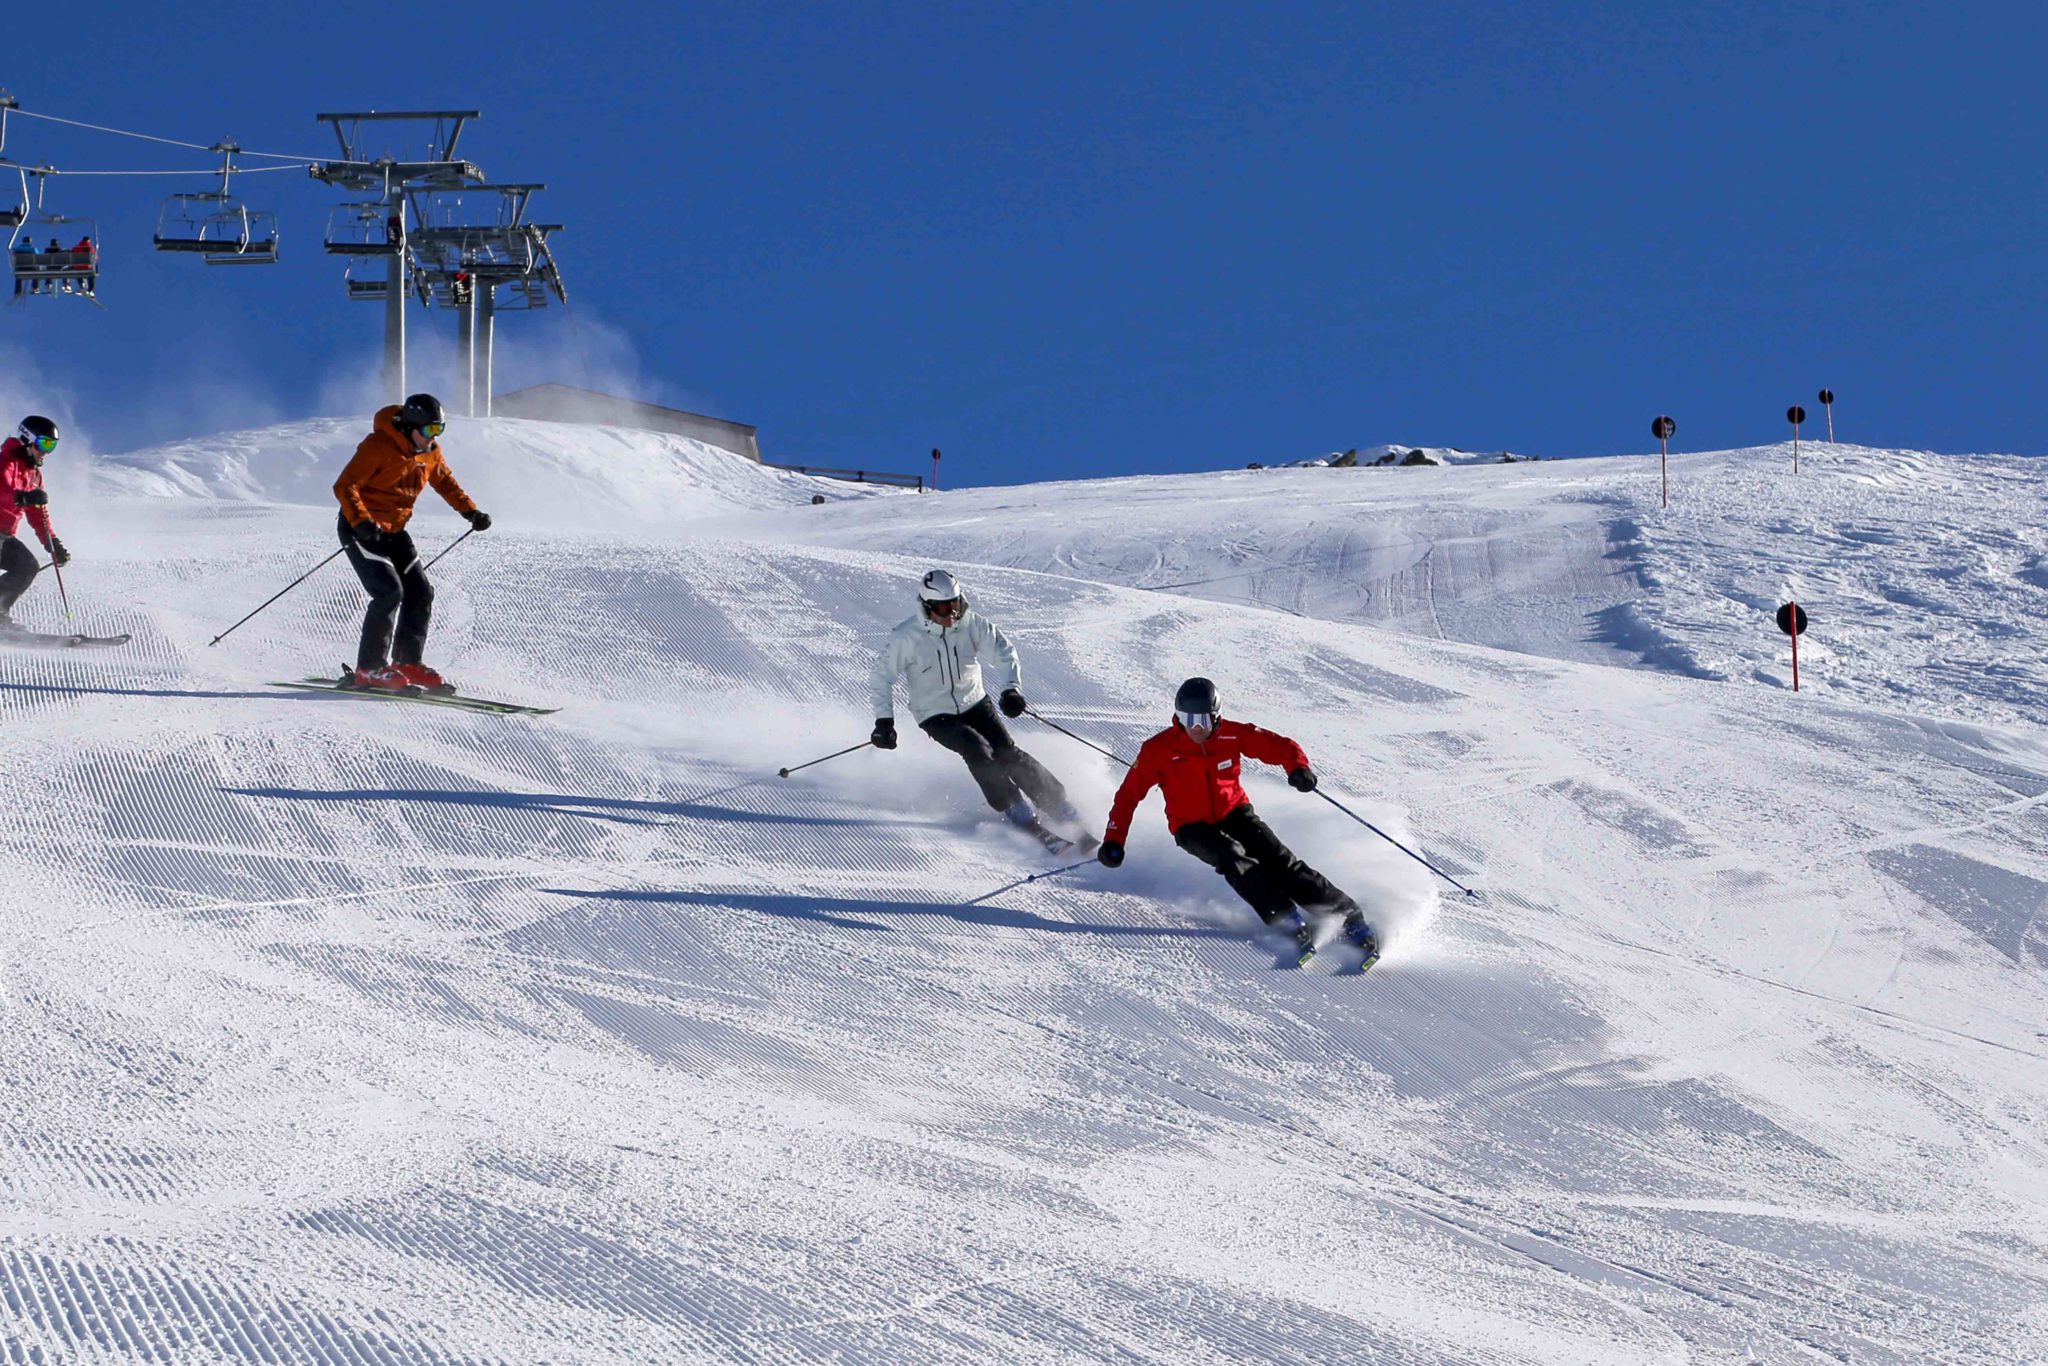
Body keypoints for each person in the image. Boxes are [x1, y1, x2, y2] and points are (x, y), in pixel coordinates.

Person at [1097, 677, 1378, 958]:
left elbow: (1280, 746)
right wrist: (1114, 840)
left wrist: (1298, 767)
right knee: (1232, 858)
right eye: (1188, 719)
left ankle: (1348, 917)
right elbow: (1127, 797)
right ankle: (1284, 917)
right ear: (1177, 717)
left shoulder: (1233, 735)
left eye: (1204, 720)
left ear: (1216, 716)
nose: (1196, 728)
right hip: (1190, 826)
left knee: (1279, 859)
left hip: (1234, 811)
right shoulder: (1158, 750)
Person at [870, 568, 1094, 852]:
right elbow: (881, 678)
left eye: (955, 603)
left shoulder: (971, 624)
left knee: (1008, 753)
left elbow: (1004, 652)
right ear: (927, 607)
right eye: (943, 607)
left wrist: (1011, 689)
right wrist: (884, 722)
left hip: (975, 702)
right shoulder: (907, 637)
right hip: (934, 713)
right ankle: (1020, 815)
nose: (952, 612)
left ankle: (1063, 811)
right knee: (976, 748)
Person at [331, 393, 491, 691]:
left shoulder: (430, 453)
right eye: (429, 430)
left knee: (420, 591)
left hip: (395, 530)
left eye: (439, 430)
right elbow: (345, 485)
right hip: (361, 529)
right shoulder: (378, 446)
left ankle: (406, 662)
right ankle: (369, 669)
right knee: (389, 592)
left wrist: (471, 511)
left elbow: (445, 482)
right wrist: (362, 522)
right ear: (409, 427)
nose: (433, 438)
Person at [0, 416, 71, 627]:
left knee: (27, 566)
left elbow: (38, 515)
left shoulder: (34, 475)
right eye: (43, 443)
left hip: (4, 536)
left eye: (52, 445)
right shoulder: (6, 459)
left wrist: (53, 545)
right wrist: (23, 497)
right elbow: (2, 489)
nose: (46, 451)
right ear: (27, 438)